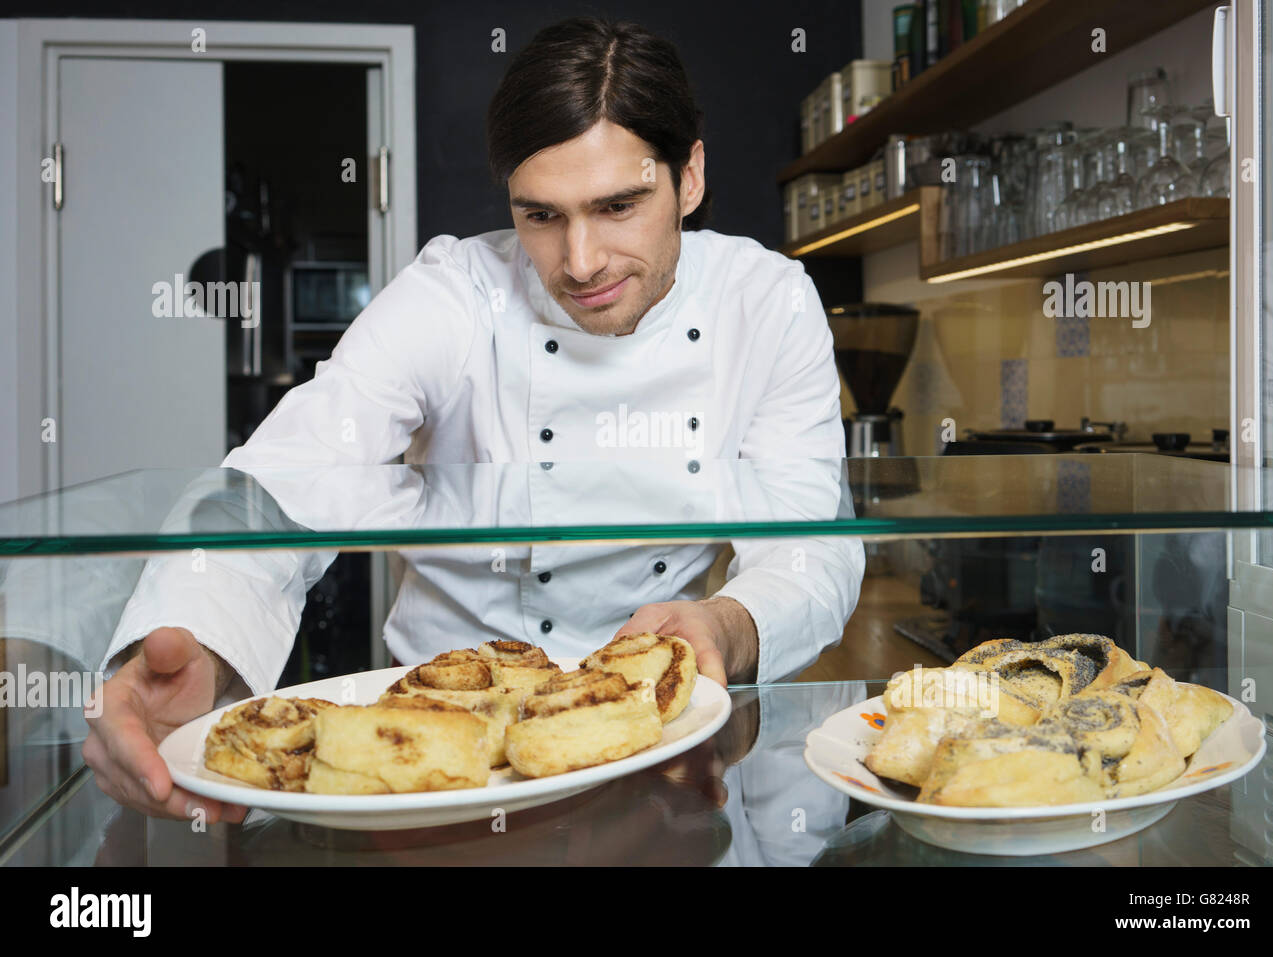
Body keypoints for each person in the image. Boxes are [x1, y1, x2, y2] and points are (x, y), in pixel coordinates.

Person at [81, 16, 865, 823]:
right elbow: (289, 475)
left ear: (689, 175)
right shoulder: (452, 296)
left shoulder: (766, 304)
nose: (582, 260)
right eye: (542, 216)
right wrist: (189, 637)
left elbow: (813, 548)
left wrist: (725, 626)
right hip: (435, 749)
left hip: (652, 736)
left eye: (619, 205)